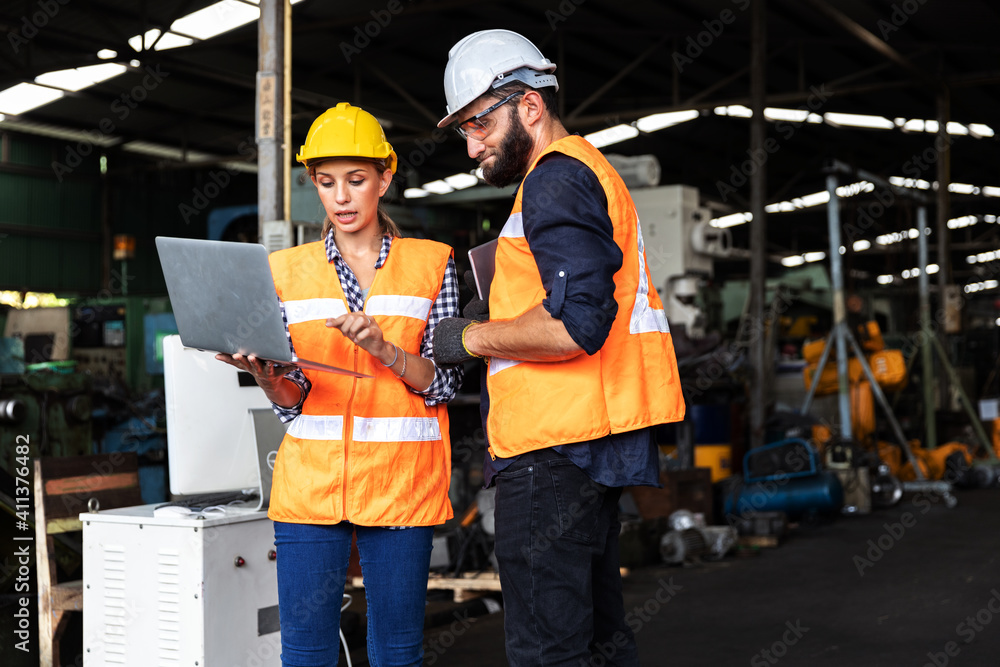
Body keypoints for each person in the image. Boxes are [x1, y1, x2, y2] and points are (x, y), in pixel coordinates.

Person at [432, 30, 686, 666]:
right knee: (598, 642)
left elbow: (577, 326)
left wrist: (468, 336)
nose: (472, 146)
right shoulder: (579, 173)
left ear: (529, 106)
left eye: (480, 124)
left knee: (548, 650)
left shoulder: (554, 180)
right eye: (463, 130)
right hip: (586, 445)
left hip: (552, 452)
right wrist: (496, 307)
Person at [216, 102, 462, 667]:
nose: (342, 197)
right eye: (327, 183)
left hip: (403, 486)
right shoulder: (284, 271)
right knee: (305, 652)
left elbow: (443, 384)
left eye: (356, 180)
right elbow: (293, 399)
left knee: (397, 652)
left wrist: (385, 350)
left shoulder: (432, 263)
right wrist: (265, 375)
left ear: (385, 177)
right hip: (310, 489)